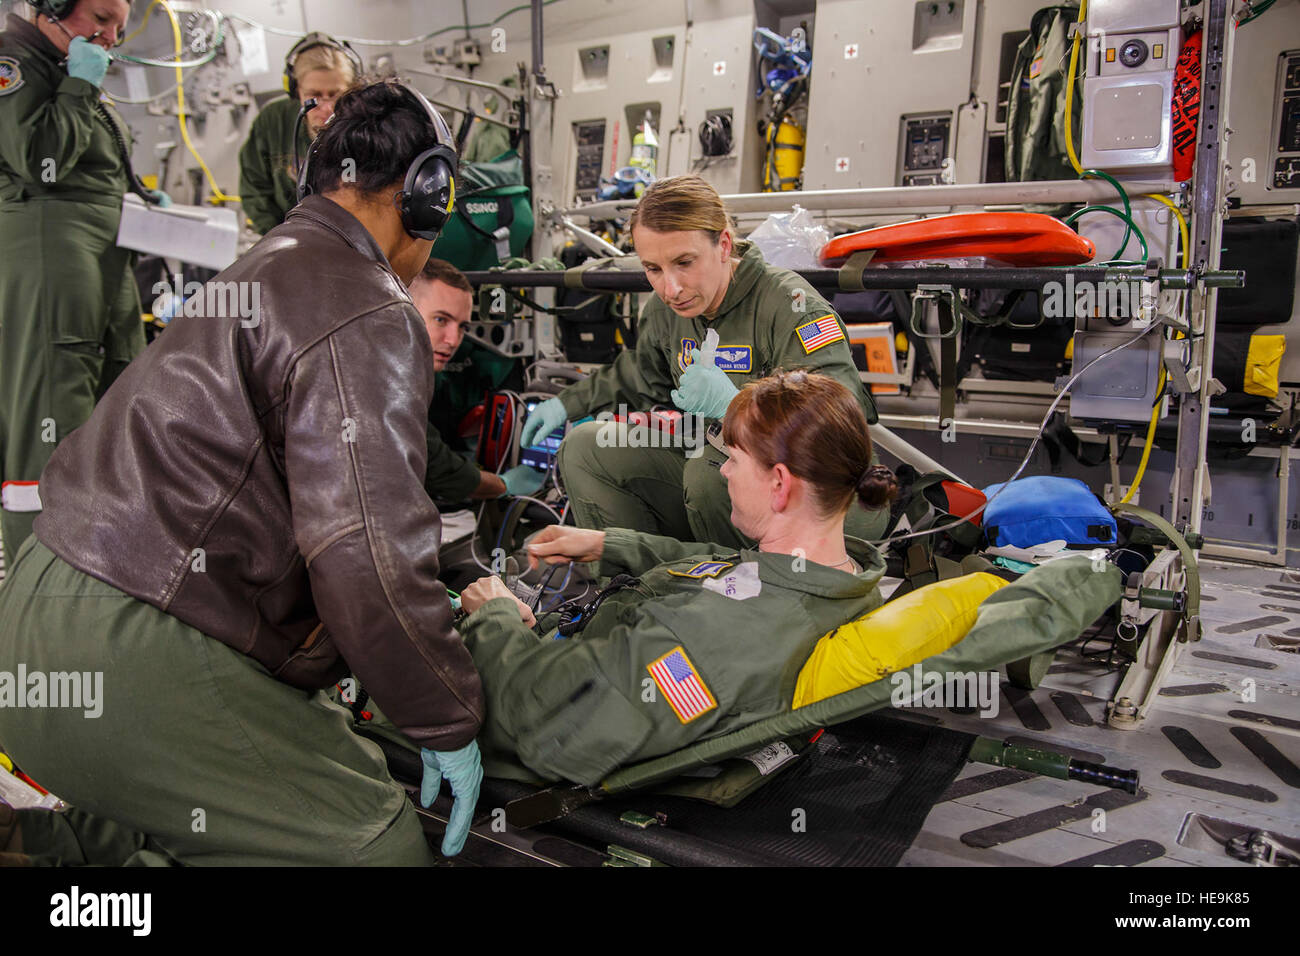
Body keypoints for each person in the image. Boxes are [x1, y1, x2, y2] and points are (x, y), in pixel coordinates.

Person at [0, 80, 482, 866]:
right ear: (426, 195)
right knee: (374, 846)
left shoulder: (258, 266)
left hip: (33, 626)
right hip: (133, 648)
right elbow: (365, 548)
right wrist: (443, 716)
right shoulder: (365, 303)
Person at [457, 371, 898, 785]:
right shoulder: (844, 577)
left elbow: (549, 724)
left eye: (733, 458)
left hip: (514, 692)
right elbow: (728, 564)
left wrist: (493, 619)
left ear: (779, 484)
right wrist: (609, 544)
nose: (723, 470)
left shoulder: (707, 638)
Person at [520, 174, 886, 550]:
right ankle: (639, 591)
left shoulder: (790, 305)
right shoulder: (669, 313)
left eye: (684, 262)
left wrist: (738, 409)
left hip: (826, 494)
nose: (670, 288)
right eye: (654, 269)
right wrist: (565, 404)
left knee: (710, 471)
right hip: (723, 473)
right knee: (585, 447)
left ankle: (745, 596)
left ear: (724, 244)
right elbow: (639, 375)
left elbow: (839, 421)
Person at [0, 0, 169, 558]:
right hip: (52, 249)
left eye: (121, 24)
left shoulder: (74, 71)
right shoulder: (13, 62)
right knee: (54, 401)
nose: (113, 35)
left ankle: (106, 563)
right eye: (102, 15)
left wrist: (143, 199)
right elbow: (39, 157)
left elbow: (94, 162)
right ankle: (37, 577)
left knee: (121, 396)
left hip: (107, 255)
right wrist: (75, 86)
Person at [411, 257, 545, 502]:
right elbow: (437, 467)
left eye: (462, 326)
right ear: (404, 311)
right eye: (441, 319)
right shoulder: (384, 381)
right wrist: (503, 485)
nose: (453, 340)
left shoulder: (409, 374)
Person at [237, 31, 358, 236]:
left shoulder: (365, 125)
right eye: (315, 96)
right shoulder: (272, 122)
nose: (327, 108)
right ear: (296, 91)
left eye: (335, 95)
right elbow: (255, 189)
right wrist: (280, 239)